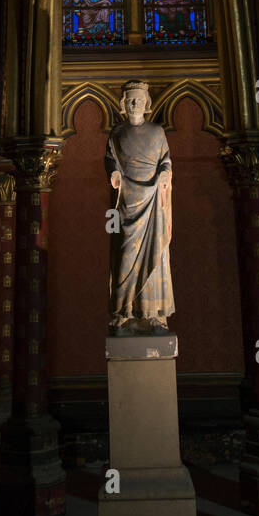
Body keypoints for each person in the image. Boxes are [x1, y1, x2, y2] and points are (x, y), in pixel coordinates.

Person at [105, 79, 173, 335]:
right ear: (123, 103)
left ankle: (154, 315)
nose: (135, 104)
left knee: (156, 258)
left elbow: (165, 160)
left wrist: (164, 175)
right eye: (130, 99)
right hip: (127, 204)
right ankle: (123, 313)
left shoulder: (157, 132)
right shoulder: (117, 133)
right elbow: (110, 159)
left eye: (139, 100)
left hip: (153, 201)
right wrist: (115, 174)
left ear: (147, 104)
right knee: (125, 258)